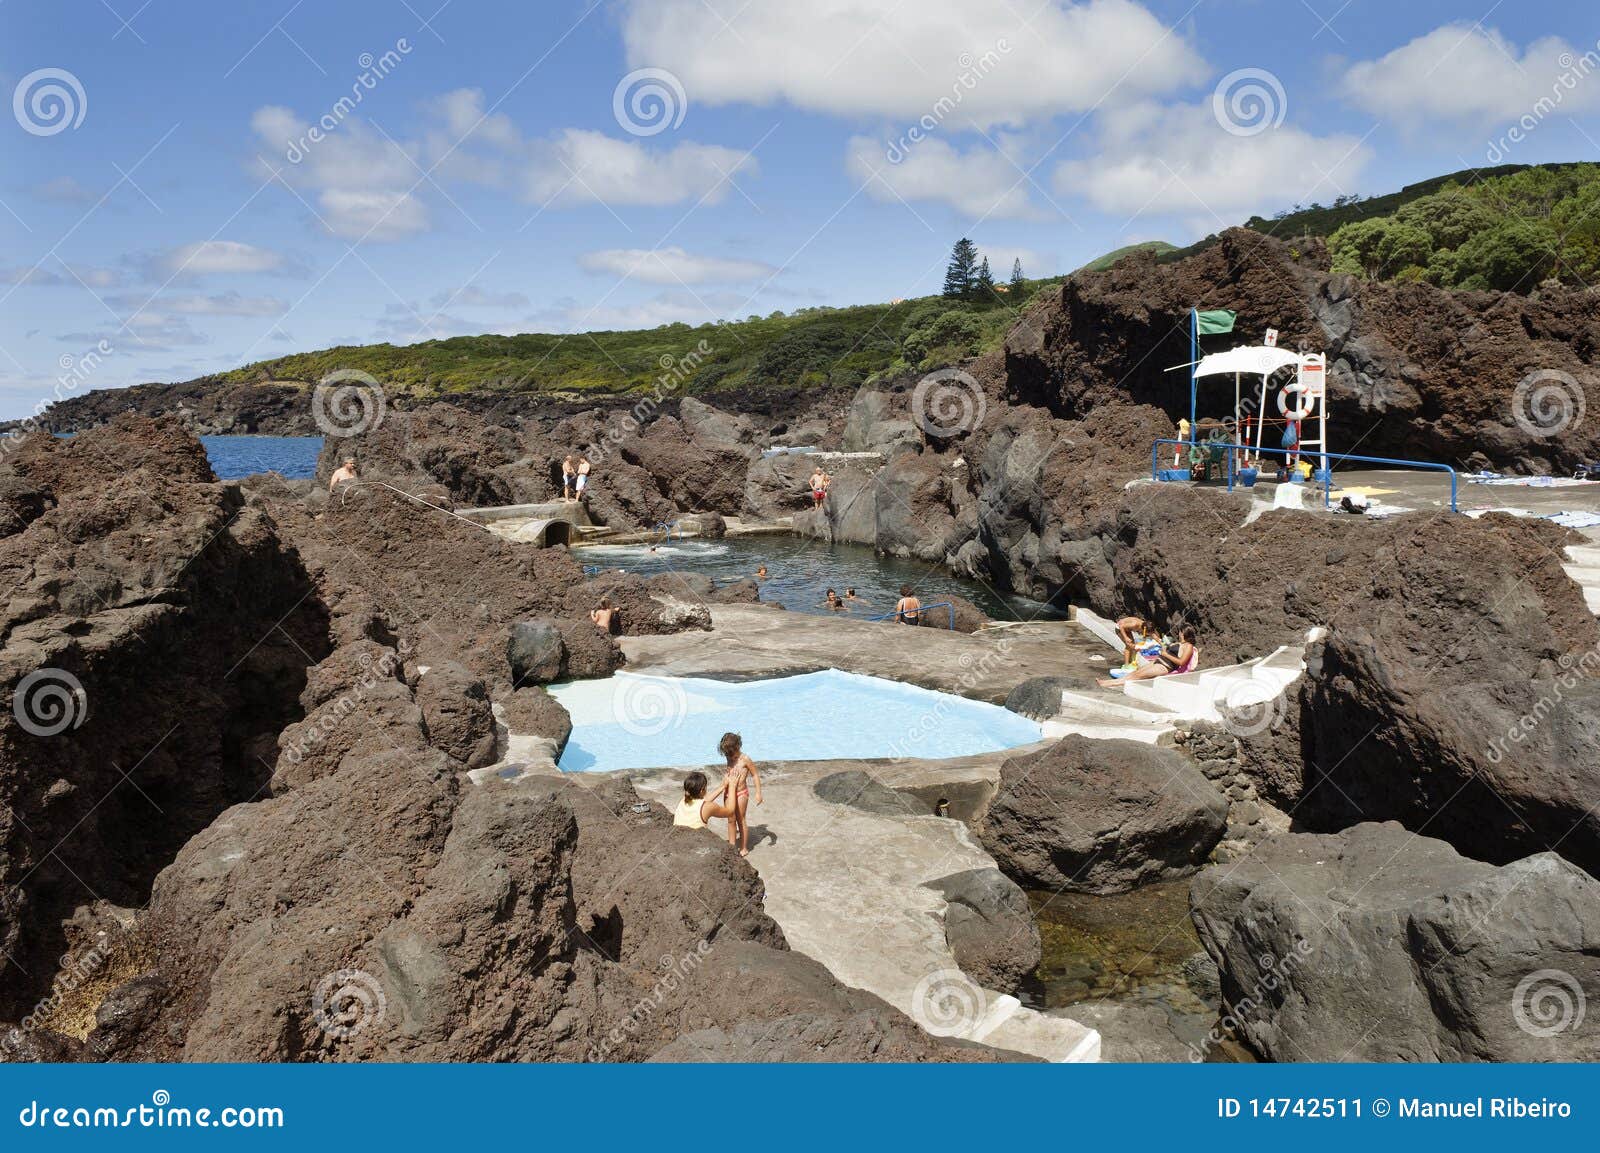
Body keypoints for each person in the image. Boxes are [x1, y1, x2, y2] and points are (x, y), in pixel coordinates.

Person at [1099, 625, 1198, 686]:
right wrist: (1160, 644)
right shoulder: (1180, 643)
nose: (1179, 633)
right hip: (1158, 661)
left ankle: (1109, 684)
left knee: (1138, 676)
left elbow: (1181, 662)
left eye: (1180, 631)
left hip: (1164, 667)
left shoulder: (1188, 646)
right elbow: (1168, 650)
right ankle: (1109, 682)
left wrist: (1165, 654)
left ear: (1184, 633)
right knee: (1135, 673)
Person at [717, 732, 762, 856]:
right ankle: (732, 846)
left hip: (741, 793)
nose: (730, 757)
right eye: (727, 754)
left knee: (740, 819)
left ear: (738, 747)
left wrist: (758, 793)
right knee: (730, 819)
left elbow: (755, 774)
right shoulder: (729, 756)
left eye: (732, 754)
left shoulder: (745, 759)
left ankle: (743, 848)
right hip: (728, 792)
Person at [674, 770, 740, 831]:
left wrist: (722, 787)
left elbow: (703, 802)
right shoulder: (708, 807)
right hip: (694, 838)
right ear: (702, 790)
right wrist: (732, 785)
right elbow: (730, 811)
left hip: (680, 835)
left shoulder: (684, 799)